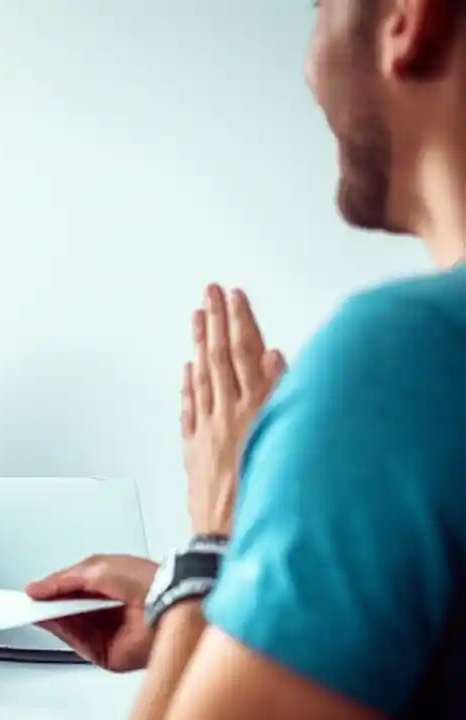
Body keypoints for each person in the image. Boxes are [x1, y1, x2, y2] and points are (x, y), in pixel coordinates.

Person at [28, 1, 466, 717]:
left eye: (321, 7)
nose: (309, 65)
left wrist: (216, 539)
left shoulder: (404, 363)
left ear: (406, 19)